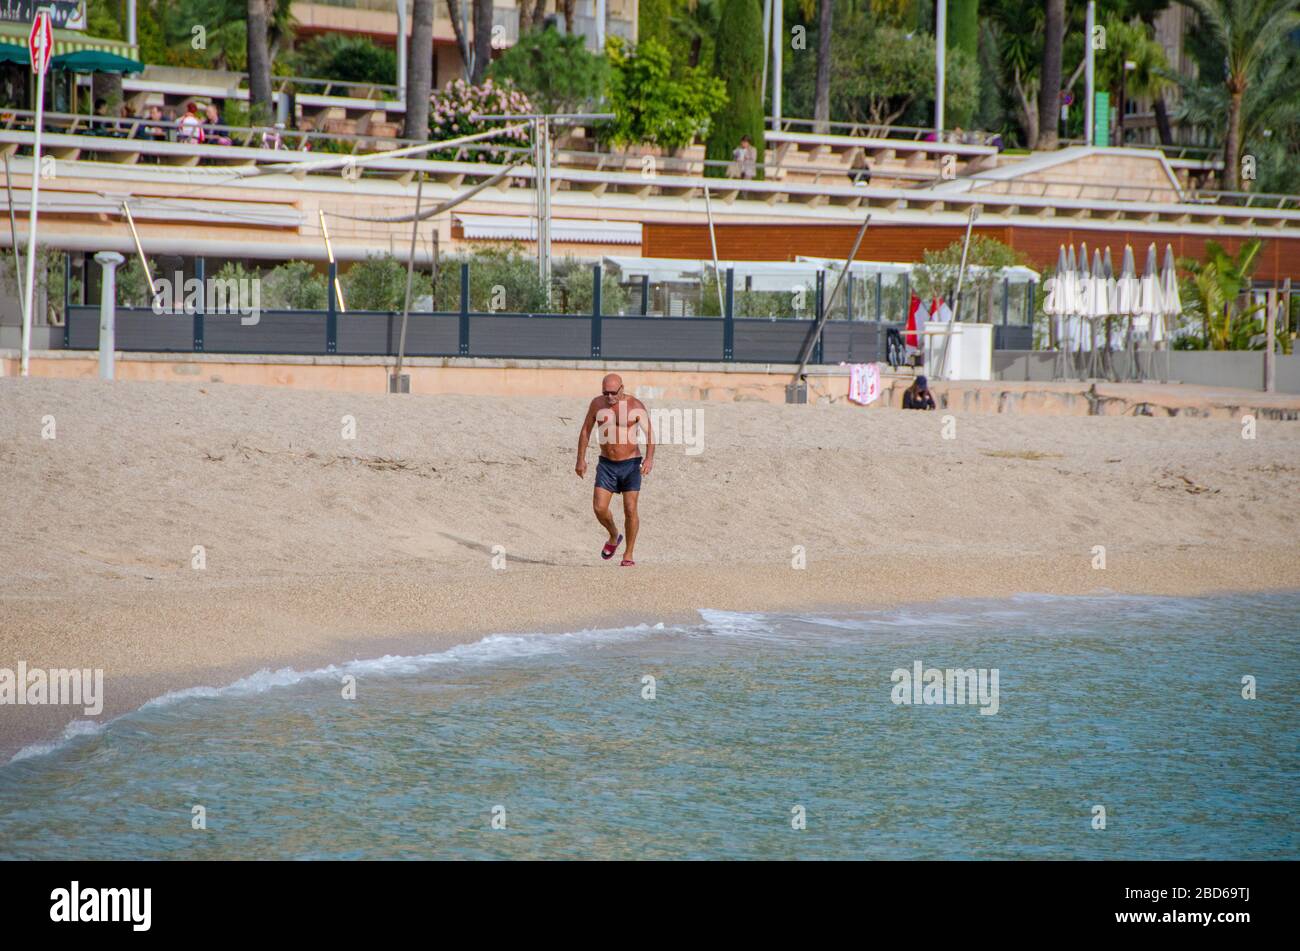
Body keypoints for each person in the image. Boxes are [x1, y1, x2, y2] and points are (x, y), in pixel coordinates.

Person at [575, 374, 655, 567]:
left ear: (622, 388)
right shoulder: (597, 404)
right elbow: (586, 430)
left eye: (613, 393)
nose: (609, 397)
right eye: (606, 393)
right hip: (607, 464)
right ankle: (613, 536)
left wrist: (649, 458)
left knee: (630, 509)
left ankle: (628, 554)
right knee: (599, 508)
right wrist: (580, 459)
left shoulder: (635, 405)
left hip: (630, 464)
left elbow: (650, 433)